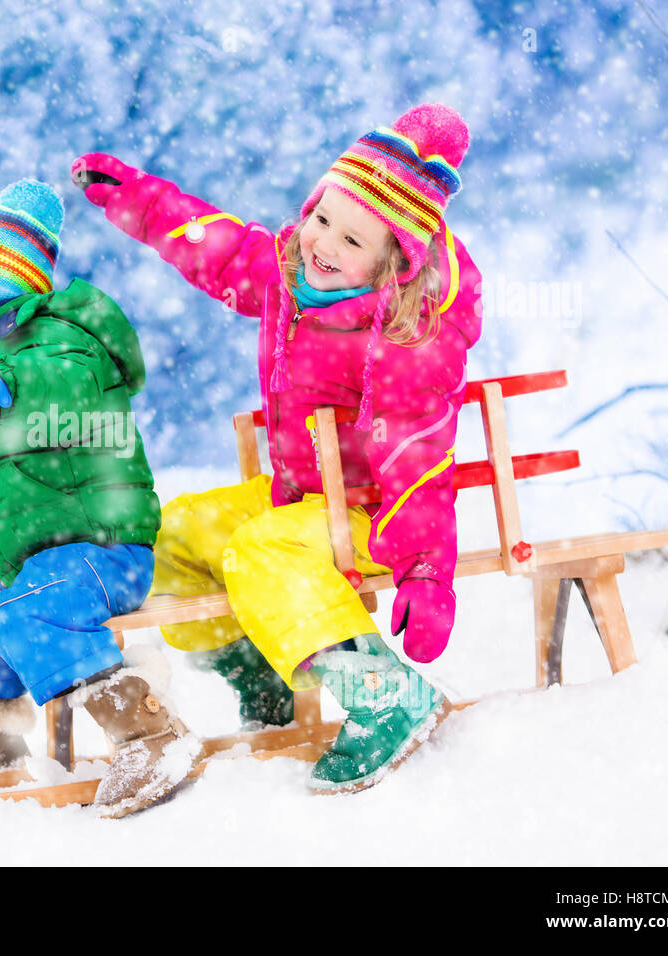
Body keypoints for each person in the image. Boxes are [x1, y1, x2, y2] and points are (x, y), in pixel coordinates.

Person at [71, 104, 483, 792]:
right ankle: (261, 679)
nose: (323, 244)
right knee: (175, 535)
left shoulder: (410, 338)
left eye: (352, 240)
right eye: (322, 218)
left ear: (393, 263)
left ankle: (384, 693)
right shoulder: (288, 280)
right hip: (301, 500)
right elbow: (220, 247)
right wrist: (141, 203)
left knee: (261, 549)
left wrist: (425, 574)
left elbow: (418, 460)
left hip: (372, 515)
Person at [0, 179, 201, 817]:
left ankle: (150, 733)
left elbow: (64, 390)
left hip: (101, 551)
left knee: (30, 611)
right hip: (27, 556)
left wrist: (2, 381)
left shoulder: (57, 337)